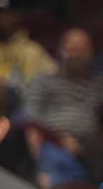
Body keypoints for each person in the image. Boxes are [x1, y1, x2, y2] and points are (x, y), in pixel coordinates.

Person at [23, 29, 103, 158]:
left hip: (90, 148)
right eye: (73, 48)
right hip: (51, 142)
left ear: (90, 53)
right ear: (61, 50)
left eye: (82, 49)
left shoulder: (98, 86)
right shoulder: (43, 81)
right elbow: (30, 114)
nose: (77, 54)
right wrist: (59, 139)